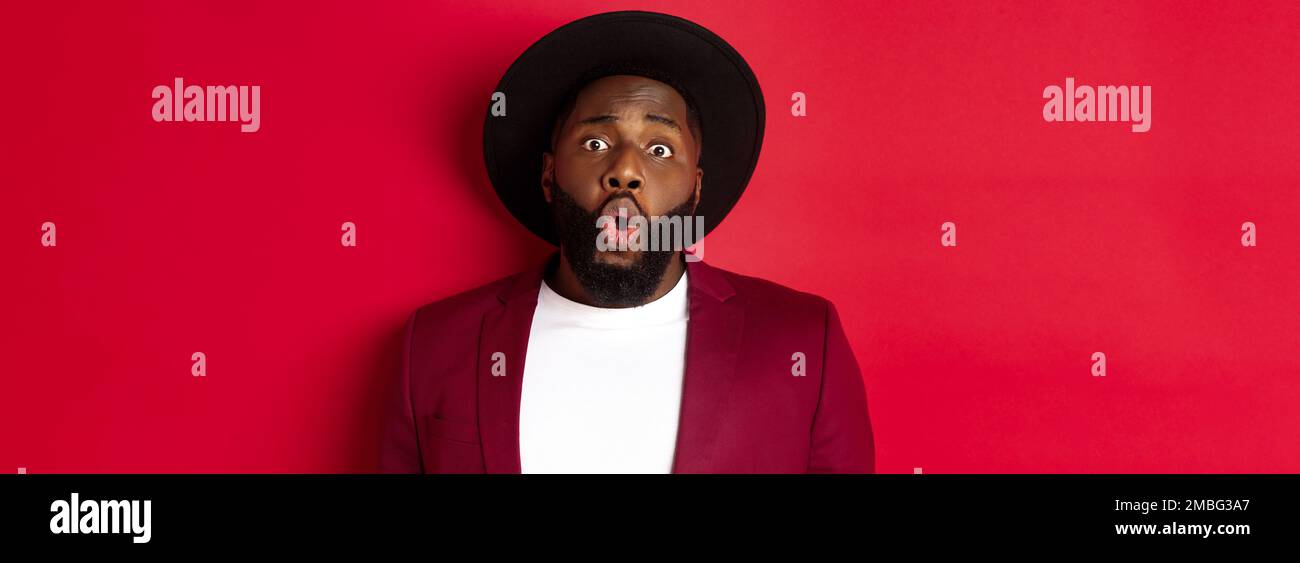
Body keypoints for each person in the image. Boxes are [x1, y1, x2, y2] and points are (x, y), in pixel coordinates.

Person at [380, 10, 874, 473]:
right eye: (596, 143)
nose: (626, 172)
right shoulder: (436, 344)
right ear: (550, 175)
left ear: (695, 188)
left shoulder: (805, 340)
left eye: (659, 149)